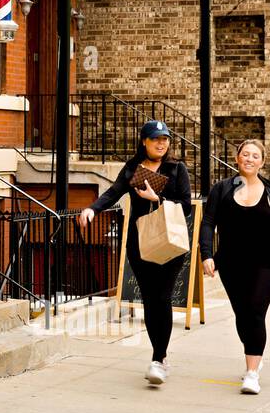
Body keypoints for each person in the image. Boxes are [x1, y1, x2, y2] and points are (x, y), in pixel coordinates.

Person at [79, 119, 191, 386]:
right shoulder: (132, 168)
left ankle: (158, 358)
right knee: (151, 300)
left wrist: (157, 199)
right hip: (140, 243)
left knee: (163, 298)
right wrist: (93, 209)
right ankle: (160, 356)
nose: (161, 143)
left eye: (165, 139)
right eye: (156, 139)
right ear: (144, 141)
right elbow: (114, 192)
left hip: (170, 243)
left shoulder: (177, 169)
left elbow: (186, 205)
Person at [200, 140, 270, 396]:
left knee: (255, 312)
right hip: (232, 263)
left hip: (267, 263)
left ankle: (252, 373)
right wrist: (206, 254)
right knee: (243, 315)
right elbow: (208, 223)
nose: (249, 159)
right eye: (245, 154)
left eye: (255, 156)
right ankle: (254, 350)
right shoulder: (222, 189)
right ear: (237, 158)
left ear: (262, 162)